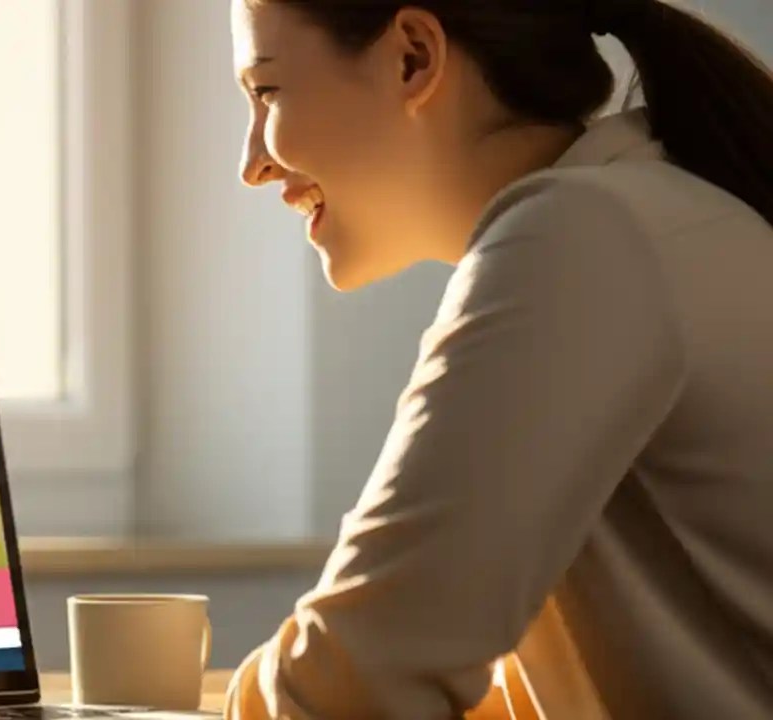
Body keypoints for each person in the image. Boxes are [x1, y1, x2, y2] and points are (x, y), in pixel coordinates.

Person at [225, 0, 773, 717]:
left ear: (413, 57)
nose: (251, 165)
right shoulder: (642, 208)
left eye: (267, 92)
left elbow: (360, 679)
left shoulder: (581, 239)